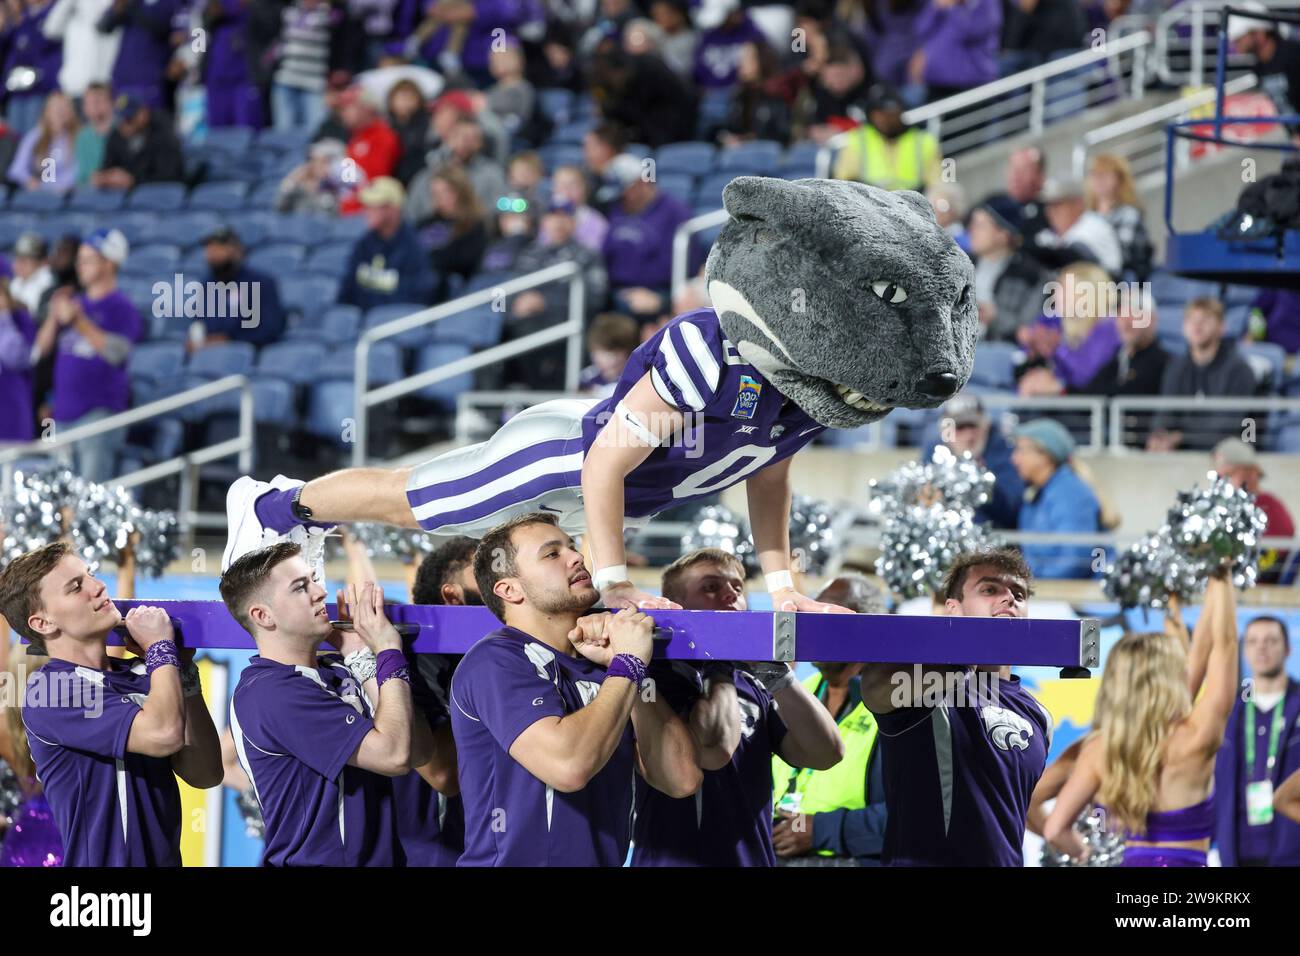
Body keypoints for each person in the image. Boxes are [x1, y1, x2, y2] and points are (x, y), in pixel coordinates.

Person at [450, 512, 701, 865]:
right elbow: (568, 766)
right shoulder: (495, 661)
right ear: (510, 589)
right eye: (552, 554)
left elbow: (680, 778)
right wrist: (627, 664)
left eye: (571, 547)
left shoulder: (610, 667)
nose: (576, 557)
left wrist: (630, 669)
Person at [0, 541, 222, 866]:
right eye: (76, 587)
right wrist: (161, 647)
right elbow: (163, 734)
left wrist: (184, 671)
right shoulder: (50, 691)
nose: (98, 586)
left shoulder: (140, 675)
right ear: (43, 623)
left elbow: (205, 774)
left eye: (89, 574)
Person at [221, 542, 433, 866]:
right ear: (263, 616)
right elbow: (395, 756)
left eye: (314, 580)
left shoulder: (337, 667)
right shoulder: (270, 692)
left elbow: (418, 751)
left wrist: (363, 656)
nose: (320, 592)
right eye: (300, 588)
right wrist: (388, 651)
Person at [631, 548, 844, 866]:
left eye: (737, 587)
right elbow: (712, 748)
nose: (730, 594)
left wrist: (777, 674)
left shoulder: (751, 680)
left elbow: (826, 753)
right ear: (674, 605)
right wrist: (723, 662)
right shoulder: (650, 679)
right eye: (711, 587)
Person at [860, 548, 1052, 866]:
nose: (1009, 600)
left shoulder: (1040, 717)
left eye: (1018, 594)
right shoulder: (924, 687)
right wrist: (964, 658)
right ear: (953, 609)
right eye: (990, 589)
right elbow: (875, 687)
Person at [1045, 567, 1239, 866]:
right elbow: (1224, 644)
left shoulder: (1101, 749)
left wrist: (1084, 854)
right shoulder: (1197, 735)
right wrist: (1221, 572)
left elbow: (1055, 829)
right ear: (1169, 679)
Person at [771, 574, 890, 866]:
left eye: (827, 615)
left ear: (863, 627)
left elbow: (916, 816)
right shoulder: (796, 693)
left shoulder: (895, 711)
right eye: (813, 615)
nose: (814, 627)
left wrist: (823, 830)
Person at [31, 228, 143, 482]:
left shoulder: (120, 306)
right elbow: (39, 350)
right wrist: (52, 315)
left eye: (88, 260)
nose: (80, 266)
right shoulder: (73, 301)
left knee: (91, 495)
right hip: (62, 412)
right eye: (79, 260)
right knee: (60, 496)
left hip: (98, 413)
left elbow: (117, 353)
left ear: (109, 263)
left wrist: (79, 321)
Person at [1214, 615, 1300, 866]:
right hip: (1237, 851)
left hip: (1291, 850)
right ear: (1244, 651)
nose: (1261, 647)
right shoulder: (1229, 710)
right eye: (1253, 641)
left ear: (1287, 649)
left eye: (1270, 640)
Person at [1147, 297, 1259, 452]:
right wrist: (1159, 435)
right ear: (1183, 327)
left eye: (1205, 319)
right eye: (1191, 319)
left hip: (1227, 456)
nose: (1197, 325)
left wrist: (1182, 437)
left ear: (1222, 327)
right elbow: (1166, 412)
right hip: (1182, 455)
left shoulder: (1240, 370)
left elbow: (1230, 425)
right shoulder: (1176, 367)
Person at [1010, 418, 1104, 579]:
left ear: (1044, 455)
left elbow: (1074, 561)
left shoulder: (1070, 493)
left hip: (1075, 596)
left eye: (1021, 451)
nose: (1014, 459)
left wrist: (1033, 584)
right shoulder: (1038, 492)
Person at [602, 152, 691, 320]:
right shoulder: (616, 208)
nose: (621, 199)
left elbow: (684, 267)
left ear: (641, 183)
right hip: (615, 291)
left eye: (625, 192)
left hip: (657, 292)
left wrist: (662, 299)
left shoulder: (675, 212)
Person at [926, 393, 1025, 529]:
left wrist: (983, 483)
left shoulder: (1005, 454)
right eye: (960, 427)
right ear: (946, 430)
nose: (968, 436)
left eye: (972, 426)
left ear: (985, 426)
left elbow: (1011, 511)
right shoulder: (934, 453)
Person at [337, 176, 436, 311]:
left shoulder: (414, 249)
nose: (368, 211)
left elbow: (414, 300)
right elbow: (347, 291)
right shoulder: (364, 244)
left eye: (376, 205)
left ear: (393, 209)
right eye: (367, 205)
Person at [967, 194, 1050, 343]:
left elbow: (1028, 331)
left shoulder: (1030, 277)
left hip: (1000, 358)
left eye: (980, 225)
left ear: (1003, 234)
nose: (971, 230)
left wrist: (994, 316)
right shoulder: (960, 265)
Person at [1212, 438, 1294, 585]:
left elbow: (1275, 555)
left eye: (1228, 476)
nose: (1220, 482)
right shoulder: (1219, 506)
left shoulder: (1269, 507)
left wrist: (1239, 572)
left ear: (1249, 473)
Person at [189, 227, 287, 350]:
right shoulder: (207, 285)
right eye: (210, 248)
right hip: (212, 356)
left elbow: (271, 329)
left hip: (250, 356)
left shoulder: (260, 283)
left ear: (236, 250)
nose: (213, 253)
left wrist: (231, 340)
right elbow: (200, 324)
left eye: (220, 247)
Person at [832, 83, 941, 193]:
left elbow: (938, 182)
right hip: (868, 204)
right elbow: (843, 181)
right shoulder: (856, 139)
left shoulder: (924, 141)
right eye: (876, 112)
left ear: (900, 111)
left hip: (914, 204)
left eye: (888, 111)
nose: (883, 118)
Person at [1027, 177, 1123, 276]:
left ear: (1078, 203)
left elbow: (1074, 257)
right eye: (1048, 206)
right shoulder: (1053, 234)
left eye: (1057, 205)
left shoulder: (1093, 226)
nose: (1050, 212)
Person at [91, 94, 183, 190]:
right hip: (128, 198)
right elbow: (107, 166)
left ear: (143, 114)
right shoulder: (116, 134)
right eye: (120, 119)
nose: (123, 125)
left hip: (160, 197)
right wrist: (103, 177)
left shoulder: (163, 134)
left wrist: (133, 180)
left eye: (128, 119)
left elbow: (169, 176)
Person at [1084, 153, 1153, 280]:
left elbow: (1122, 254)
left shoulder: (1128, 213)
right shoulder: (1086, 215)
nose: (1099, 180)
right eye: (1095, 174)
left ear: (1119, 179)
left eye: (1105, 174)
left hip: (1121, 276)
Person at [271, 0, 333, 135]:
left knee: (316, 133)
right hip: (285, 80)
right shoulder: (288, 11)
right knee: (283, 134)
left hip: (314, 83)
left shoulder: (328, 14)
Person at [6, 89, 77, 193]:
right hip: (38, 195)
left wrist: (58, 186)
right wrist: (28, 180)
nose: (59, 113)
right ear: (47, 112)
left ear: (71, 112)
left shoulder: (78, 137)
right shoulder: (34, 136)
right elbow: (16, 169)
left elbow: (78, 173)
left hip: (67, 195)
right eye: (55, 108)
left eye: (63, 108)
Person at [580, 312, 640, 398]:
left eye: (612, 353)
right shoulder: (587, 378)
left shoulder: (636, 379)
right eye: (598, 352)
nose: (602, 358)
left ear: (628, 352)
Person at [72, 80, 112, 185]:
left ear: (110, 102)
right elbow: (82, 177)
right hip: (91, 193)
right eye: (88, 103)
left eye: (97, 101)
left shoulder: (123, 131)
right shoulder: (83, 136)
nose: (92, 107)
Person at [8, 233, 52, 316]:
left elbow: (33, 314)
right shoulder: (17, 281)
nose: (16, 265)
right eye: (17, 259)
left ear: (41, 261)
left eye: (23, 260)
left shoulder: (47, 279)